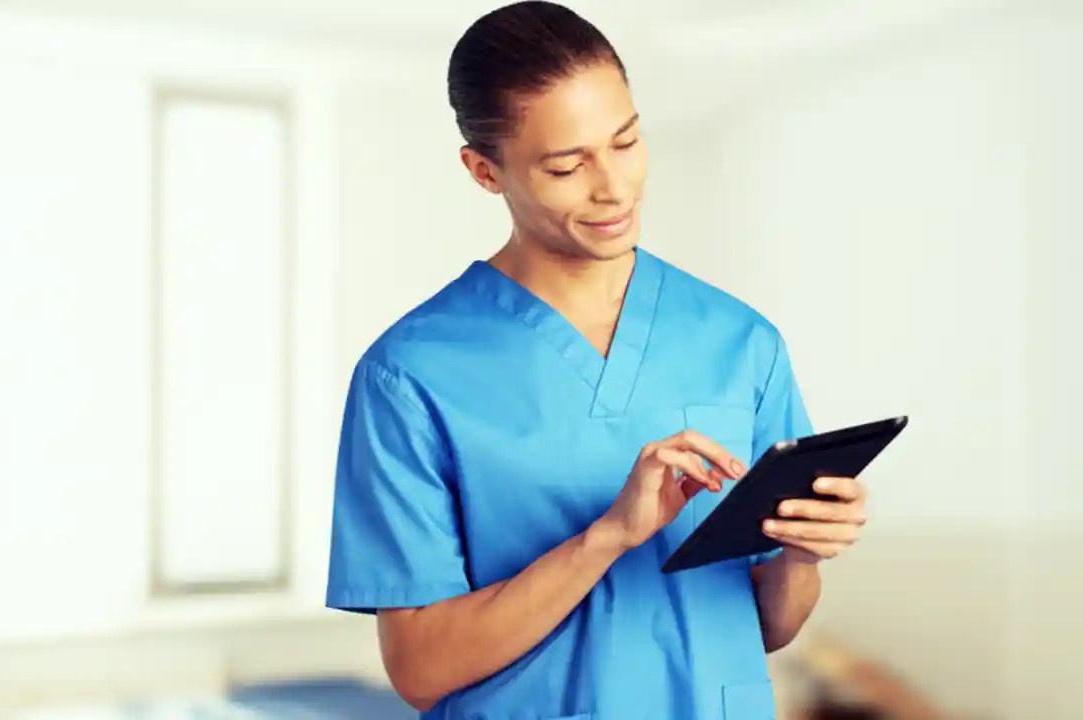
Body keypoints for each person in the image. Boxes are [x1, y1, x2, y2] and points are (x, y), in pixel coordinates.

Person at [325, 2, 870, 718]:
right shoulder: (411, 375)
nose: (613, 188)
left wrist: (802, 554)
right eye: (565, 165)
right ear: (485, 172)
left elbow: (766, 627)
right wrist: (608, 537)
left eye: (626, 141)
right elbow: (421, 669)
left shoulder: (740, 342)